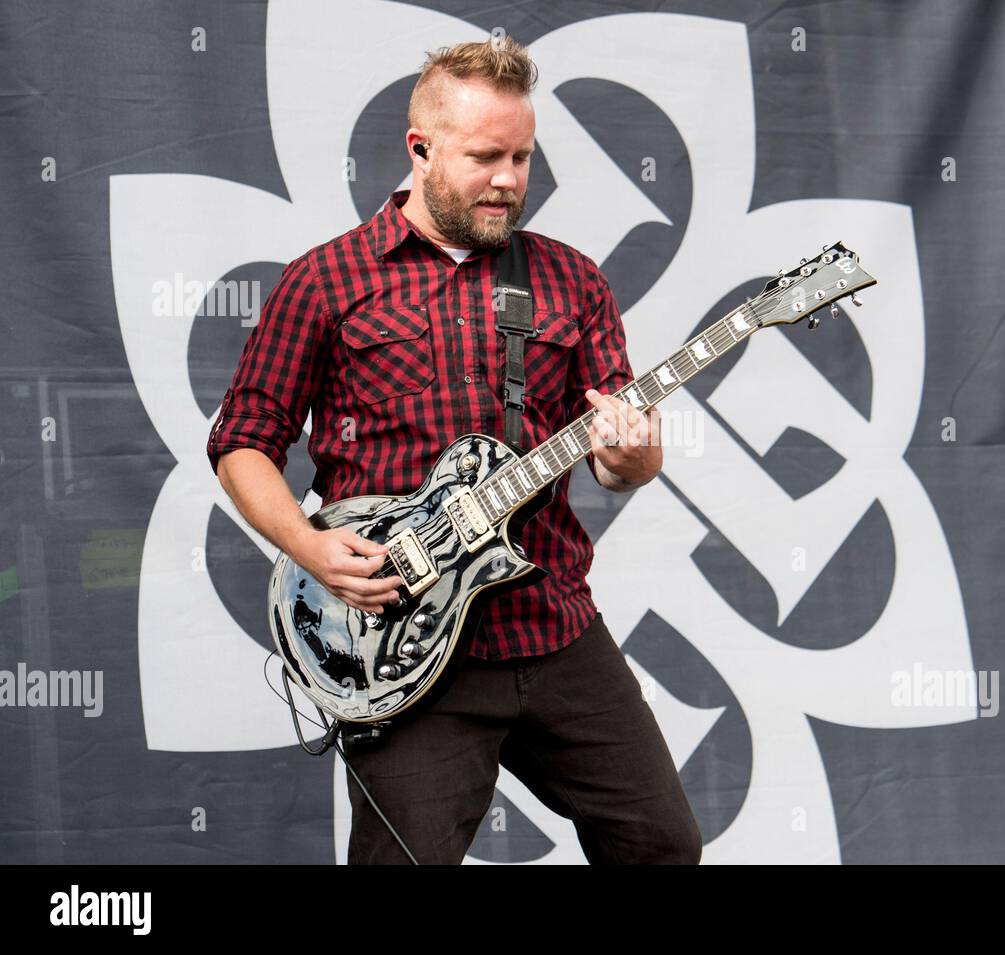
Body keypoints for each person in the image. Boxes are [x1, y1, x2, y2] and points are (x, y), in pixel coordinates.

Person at [206, 37, 702, 865]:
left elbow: (619, 459)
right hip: (401, 647)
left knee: (661, 842)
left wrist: (636, 453)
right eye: (484, 157)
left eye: (522, 156)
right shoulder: (325, 281)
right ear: (421, 148)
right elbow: (241, 441)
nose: (509, 178)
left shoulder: (573, 280)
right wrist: (308, 545)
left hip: (551, 623)